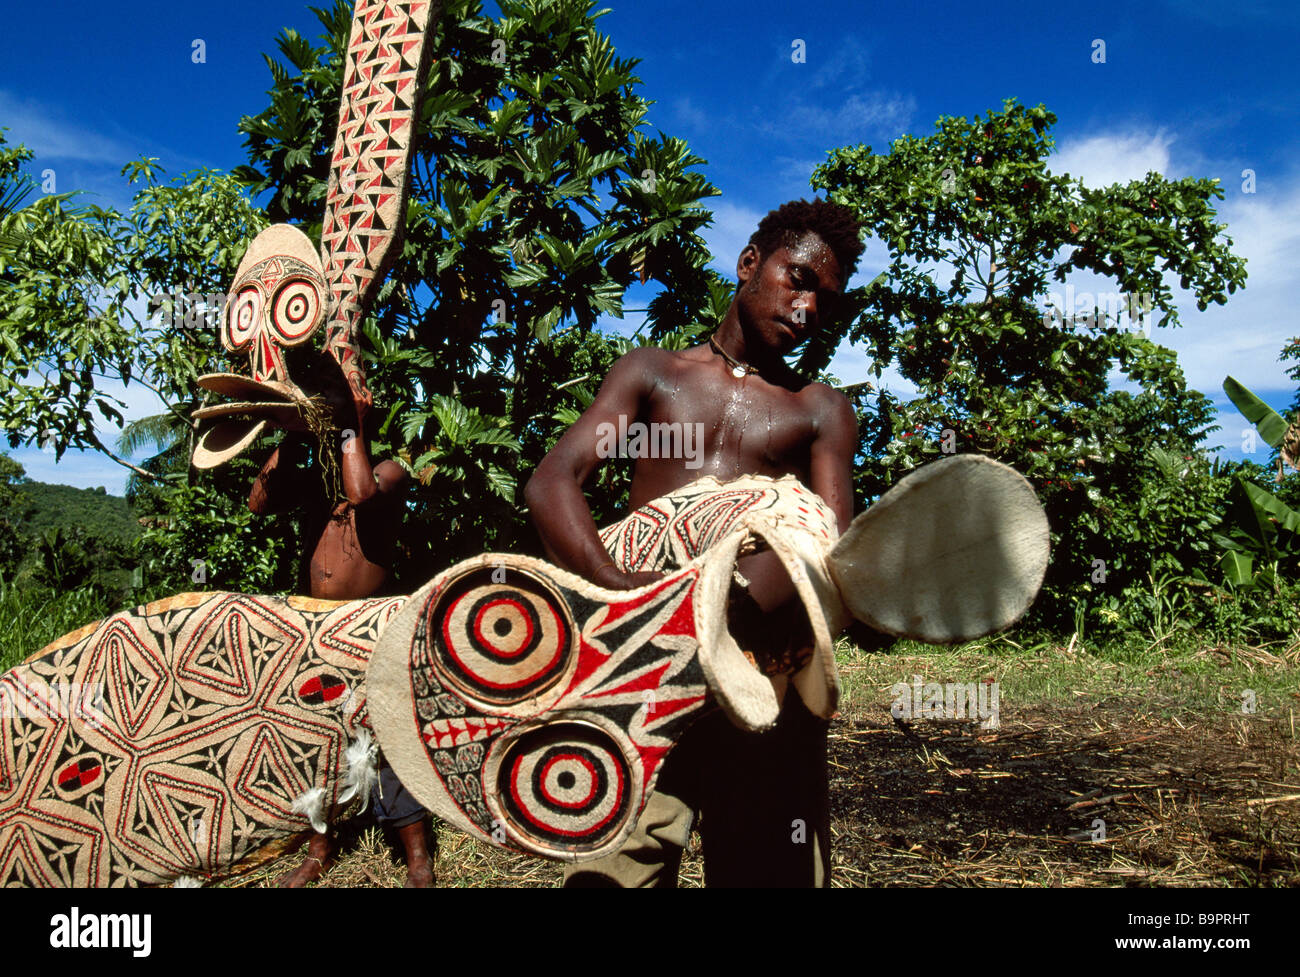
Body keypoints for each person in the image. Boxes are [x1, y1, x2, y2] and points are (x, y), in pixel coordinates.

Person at [523, 198, 864, 886]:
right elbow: (554, 482)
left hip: (765, 685)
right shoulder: (653, 374)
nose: (806, 309)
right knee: (618, 868)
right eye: (797, 278)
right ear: (748, 264)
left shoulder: (819, 409)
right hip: (646, 672)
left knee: (769, 869)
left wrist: (739, 611)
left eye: (824, 302)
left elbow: (834, 552)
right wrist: (627, 599)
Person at [247, 352, 435, 888]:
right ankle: (319, 848)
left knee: (388, 737)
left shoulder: (390, 471)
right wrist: (289, 429)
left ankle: (417, 856)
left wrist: (346, 419)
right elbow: (258, 502)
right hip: (316, 627)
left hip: (370, 627)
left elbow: (360, 492)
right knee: (321, 739)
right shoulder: (312, 482)